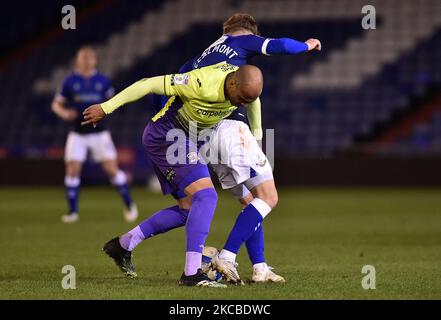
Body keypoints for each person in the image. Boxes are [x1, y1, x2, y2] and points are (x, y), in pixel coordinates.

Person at [146, 13, 322, 283]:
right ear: (249, 31)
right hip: (231, 130)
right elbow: (281, 46)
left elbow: (167, 88)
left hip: (208, 136)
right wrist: (307, 45)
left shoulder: (202, 58)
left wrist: (169, 123)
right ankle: (226, 256)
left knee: (250, 203)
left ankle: (260, 267)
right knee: (268, 197)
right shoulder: (241, 42)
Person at [82, 62, 264, 287]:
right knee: (206, 196)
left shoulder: (244, 88)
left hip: (188, 139)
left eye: (249, 100)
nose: (243, 105)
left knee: (190, 210)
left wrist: (256, 141)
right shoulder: (200, 82)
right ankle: (191, 274)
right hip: (167, 136)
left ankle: (123, 245)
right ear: (233, 82)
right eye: (242, 98)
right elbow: (147, 84)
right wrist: (106, 107)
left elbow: (253, 100)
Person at [51, 46, 138, 224]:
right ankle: (73, 212)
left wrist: (105, 112)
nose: (86, 60)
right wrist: (64, 113)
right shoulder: (70, 81)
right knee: (73, 171)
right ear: (77, 60)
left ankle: (129, 204)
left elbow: (113, 103)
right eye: (83, 57)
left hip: (99, 133)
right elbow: (56, 104)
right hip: (77, 133)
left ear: (95, 60)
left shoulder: (103, 81)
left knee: (112, 170)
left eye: (89, 57)